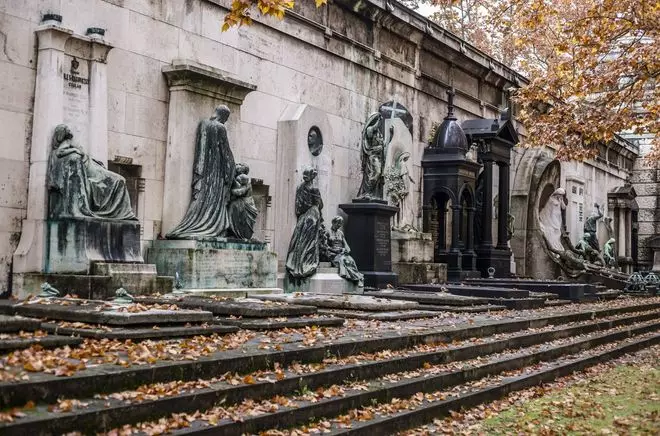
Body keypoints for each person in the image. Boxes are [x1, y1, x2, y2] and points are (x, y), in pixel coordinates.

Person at [167, 106, 236, 239]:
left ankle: (197, 222)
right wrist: (231, 169)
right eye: (226, 118)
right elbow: (225, 151)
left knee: (202, 197)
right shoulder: (220, 128)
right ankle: (211, 224)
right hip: (216, 171)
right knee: (214, 198)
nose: (225, 121)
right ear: (223, 115)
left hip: (204, 167)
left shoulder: (203, 124)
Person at [47, 124, 136, 221]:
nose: (70, 131)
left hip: (94, 168)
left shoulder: (70, 143)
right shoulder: (66, 144)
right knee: (120, 180)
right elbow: (59, 152)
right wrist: (75, 150)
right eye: (67, 130)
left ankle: (123, 213)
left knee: (120, 180)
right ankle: (121, 214)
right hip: (93, 172)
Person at [285, 168, 324, 286]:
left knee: (301, 240)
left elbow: (298, 206)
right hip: (312, 215)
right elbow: (319, 204)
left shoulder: (300, 188)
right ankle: (305, 264)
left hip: (304, 216)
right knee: (309, 242)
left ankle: (297, 263)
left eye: (306, 174)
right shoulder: (314, 189)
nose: (305, 176)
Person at [357, 112, 393, 200]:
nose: (380, 124)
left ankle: (373, 193)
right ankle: (368, 192)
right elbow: (370, 133)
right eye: (378, 121)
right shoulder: (370, 129)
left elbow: (385, 145)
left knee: (379, 173)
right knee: (376, 172)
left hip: (379, 157)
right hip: (372, 156)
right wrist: (378, 120)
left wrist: (391, 135)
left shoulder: (379, 134)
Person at [326, 216, 364, 287]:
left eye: (340, 224)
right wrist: (334, 250)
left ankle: (357, 278)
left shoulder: (341, 233)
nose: (339, 225)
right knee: (343, 260)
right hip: (332, 254)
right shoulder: (327, 232)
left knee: (351, 261)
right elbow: (325, 246)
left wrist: (346, 249)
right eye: (338, 223)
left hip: (341, 253)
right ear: (333, 223)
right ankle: (357, 279)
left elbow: (346, 246)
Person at [227, 163, 258, 240]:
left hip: (246, 204)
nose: (238, 166)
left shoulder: (245, 178)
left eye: (241, 166)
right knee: (233, 207)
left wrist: (230, 190)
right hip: (241, 203)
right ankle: (235, 232)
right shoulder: (240, 177)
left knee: (234, 208)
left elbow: (240, 192)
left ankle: (240, 234)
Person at [539, 187, 567, 253]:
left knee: (557, 231)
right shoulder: (551, 199)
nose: (561, 196)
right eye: (560, 195)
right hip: (552, 216)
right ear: (557, 194)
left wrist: (561, 200)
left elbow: (564, 207)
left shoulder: (560, 200)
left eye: (562, 195)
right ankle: (554, 246)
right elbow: (547, 210)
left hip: (558, 217)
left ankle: (557, 246)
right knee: (553, 230)